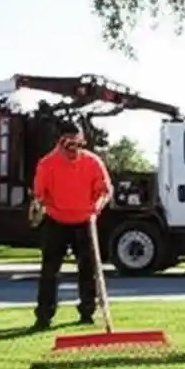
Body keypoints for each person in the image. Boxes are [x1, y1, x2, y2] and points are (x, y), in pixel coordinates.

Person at [31, 119, 113, 330]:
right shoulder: (46, 164)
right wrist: (38, 206)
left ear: (82, 141)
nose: (72, 149)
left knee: (88, 269)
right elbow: (40, 195)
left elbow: (104, 190)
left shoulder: (93, 162)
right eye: (67, 143)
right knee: (50, 270)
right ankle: (44, 315)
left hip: (85, 221)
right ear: (59, 142)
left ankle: (87, 311)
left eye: (76, 142)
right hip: (56, 220)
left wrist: (98, 206)